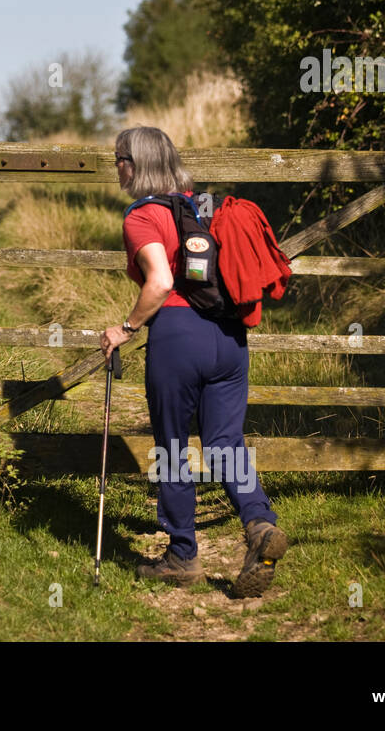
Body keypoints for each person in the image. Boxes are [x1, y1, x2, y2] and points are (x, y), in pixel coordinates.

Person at [99, 126, 288, 598]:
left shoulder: (142, 215)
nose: (116, 167)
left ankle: (183, 555)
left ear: (133, 163)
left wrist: (126, 328)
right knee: (226, 442)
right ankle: (259, 524)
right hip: (229, 337)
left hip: (178, 338)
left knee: (172, 446)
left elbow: (160, 282)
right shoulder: (204, 207)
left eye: (118, 158)